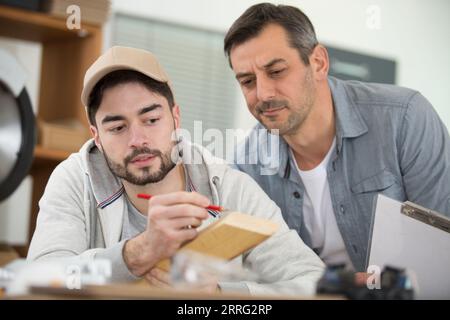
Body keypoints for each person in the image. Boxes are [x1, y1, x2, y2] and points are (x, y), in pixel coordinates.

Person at [27, 46, 324, 296]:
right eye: (117, 127)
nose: (137, 140)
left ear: (175, 117)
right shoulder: (75, 179)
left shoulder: (230, 187)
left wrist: (222, 295)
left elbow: (312, 282)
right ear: (96, 137)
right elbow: (40, 281)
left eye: (152, 120)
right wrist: (136, 254)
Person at [224, 3, 450, 272]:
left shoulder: (405, 119)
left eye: (276, 72)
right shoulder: (246, 165)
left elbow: (440, 248)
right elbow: (258, 271)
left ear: (318, 62)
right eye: (248, 81)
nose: (262, 93)